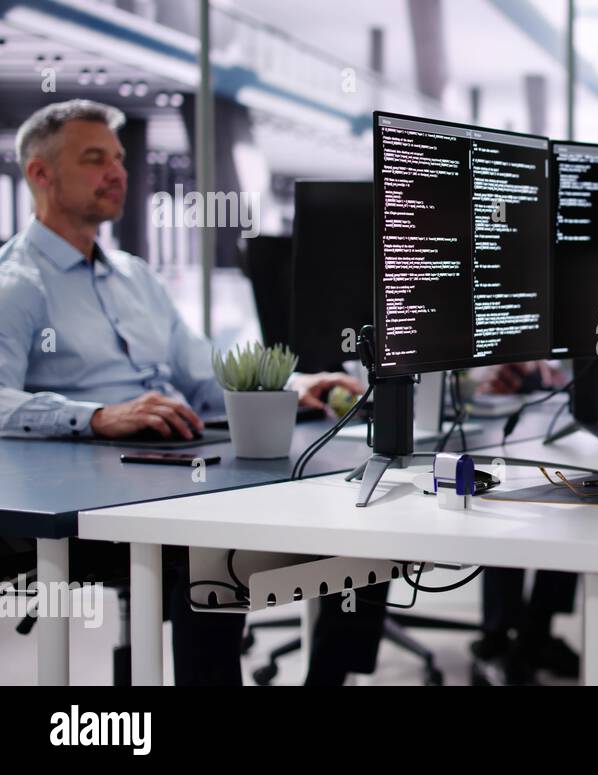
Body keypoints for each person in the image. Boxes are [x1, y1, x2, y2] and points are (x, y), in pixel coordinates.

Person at [0, 99, 362, 684]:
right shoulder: (16, 286)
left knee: (353, 503)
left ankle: (331, 679)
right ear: (40, 174)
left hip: (172, 466)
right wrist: (96, 416)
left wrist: (293, 384)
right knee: (213, 547)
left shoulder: (136, 277)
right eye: (95, 160)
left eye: (119, 159)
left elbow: (203, 373)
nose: (117, 172)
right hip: (93, 498)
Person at [469, 360, 581, 685]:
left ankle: (536, 634)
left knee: (572, 505)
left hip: (536, 404)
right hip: (482, 408)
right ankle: (497, 640)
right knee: (506, 507)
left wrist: (549, 367)